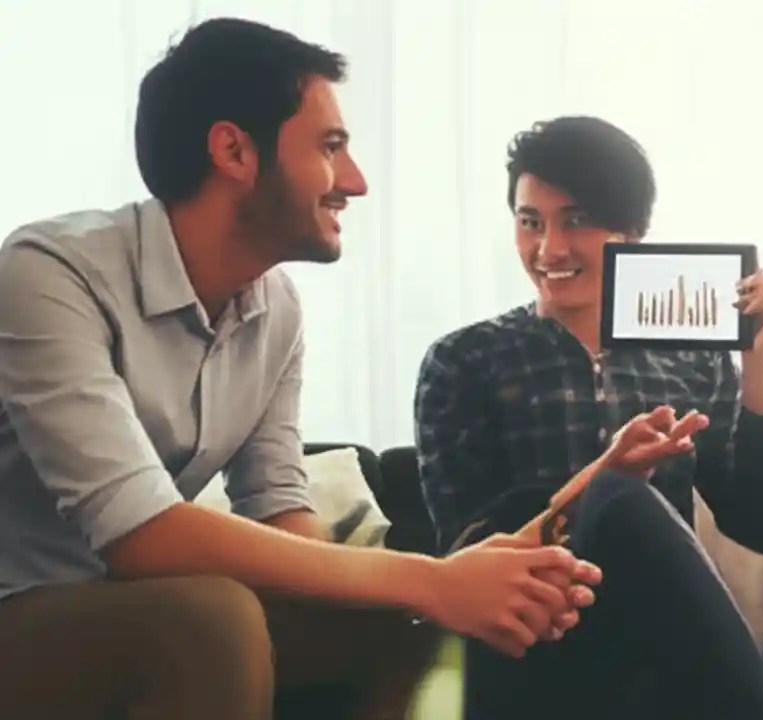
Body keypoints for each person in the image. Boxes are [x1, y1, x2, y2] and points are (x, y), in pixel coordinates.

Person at [0, 18, 665, 720]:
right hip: (25, 605)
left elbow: (278, 503)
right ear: (234, 150)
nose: (355, 181)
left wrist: (435, 591)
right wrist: (428, 578)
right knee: (210, 619)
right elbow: (141, 534)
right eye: (330, 146)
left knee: (396, 621)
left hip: (130, 609)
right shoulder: (49, 273)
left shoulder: (274, 306)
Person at [414, 115, 763, 719]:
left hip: (655, 643)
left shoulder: (692, 359)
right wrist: (602, 479)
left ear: (632, 233)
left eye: (576, 221)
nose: (550, 249)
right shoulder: (465, 360)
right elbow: (469, 549)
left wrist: (759, 366)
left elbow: (761, 527)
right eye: (530, 222)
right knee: (620, 498)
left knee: (629, 509)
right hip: (528, 639)